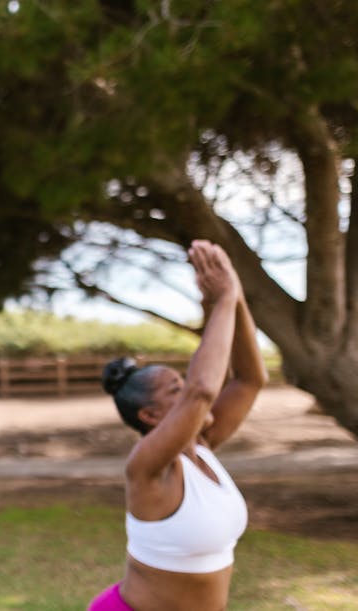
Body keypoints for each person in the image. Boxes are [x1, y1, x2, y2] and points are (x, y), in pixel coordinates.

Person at [90, 240, 269, 610]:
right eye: (176, 390)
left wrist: (234, 297)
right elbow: (202, 390)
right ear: (150, 417)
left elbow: (250, 379)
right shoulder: (147, 469)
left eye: (183, 385)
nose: (188, 390)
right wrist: (221, 300)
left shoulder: (202, 446)